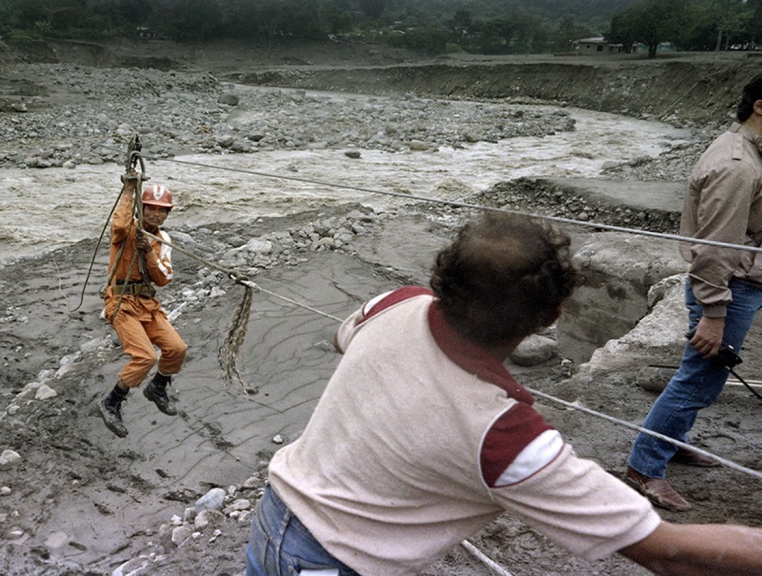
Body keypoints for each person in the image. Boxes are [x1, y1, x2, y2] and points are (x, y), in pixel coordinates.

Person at [246, 213, 762, 576]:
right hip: (328, 562)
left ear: (442, 280)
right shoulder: (507, 439)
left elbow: (346, 338)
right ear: (550, 317)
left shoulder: (391, 304)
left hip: (276, 512)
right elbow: (666, 551)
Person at [626, 73, 762, 512]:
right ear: (760, 105)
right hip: (730, 287)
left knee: (700, 376)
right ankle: (645, 466)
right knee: (699, 380)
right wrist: (714, 311)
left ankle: (674, 440)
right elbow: (714, 249)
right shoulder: (738, 167)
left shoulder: (750, 154)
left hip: (741, 280)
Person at [98, 170, 187, 438]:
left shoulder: (163, 240)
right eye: (151, 209)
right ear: (142, 208)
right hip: (121, 301)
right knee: (145, 357)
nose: (156, 215)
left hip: (148, 303)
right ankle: (111, 402)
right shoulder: (126, 231)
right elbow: (120, 226)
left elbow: (163, 278)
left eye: (162, 211)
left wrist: (148, 252)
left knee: (177, 348)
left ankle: (157, 388)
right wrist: (128, 191)